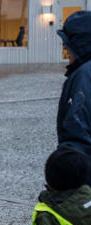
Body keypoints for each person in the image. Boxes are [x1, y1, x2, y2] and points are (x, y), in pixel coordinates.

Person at [56, 10, 91, 185]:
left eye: (66, 43)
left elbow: (77, 133)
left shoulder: (83, 76)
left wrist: (63, 183)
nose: (64, 48)